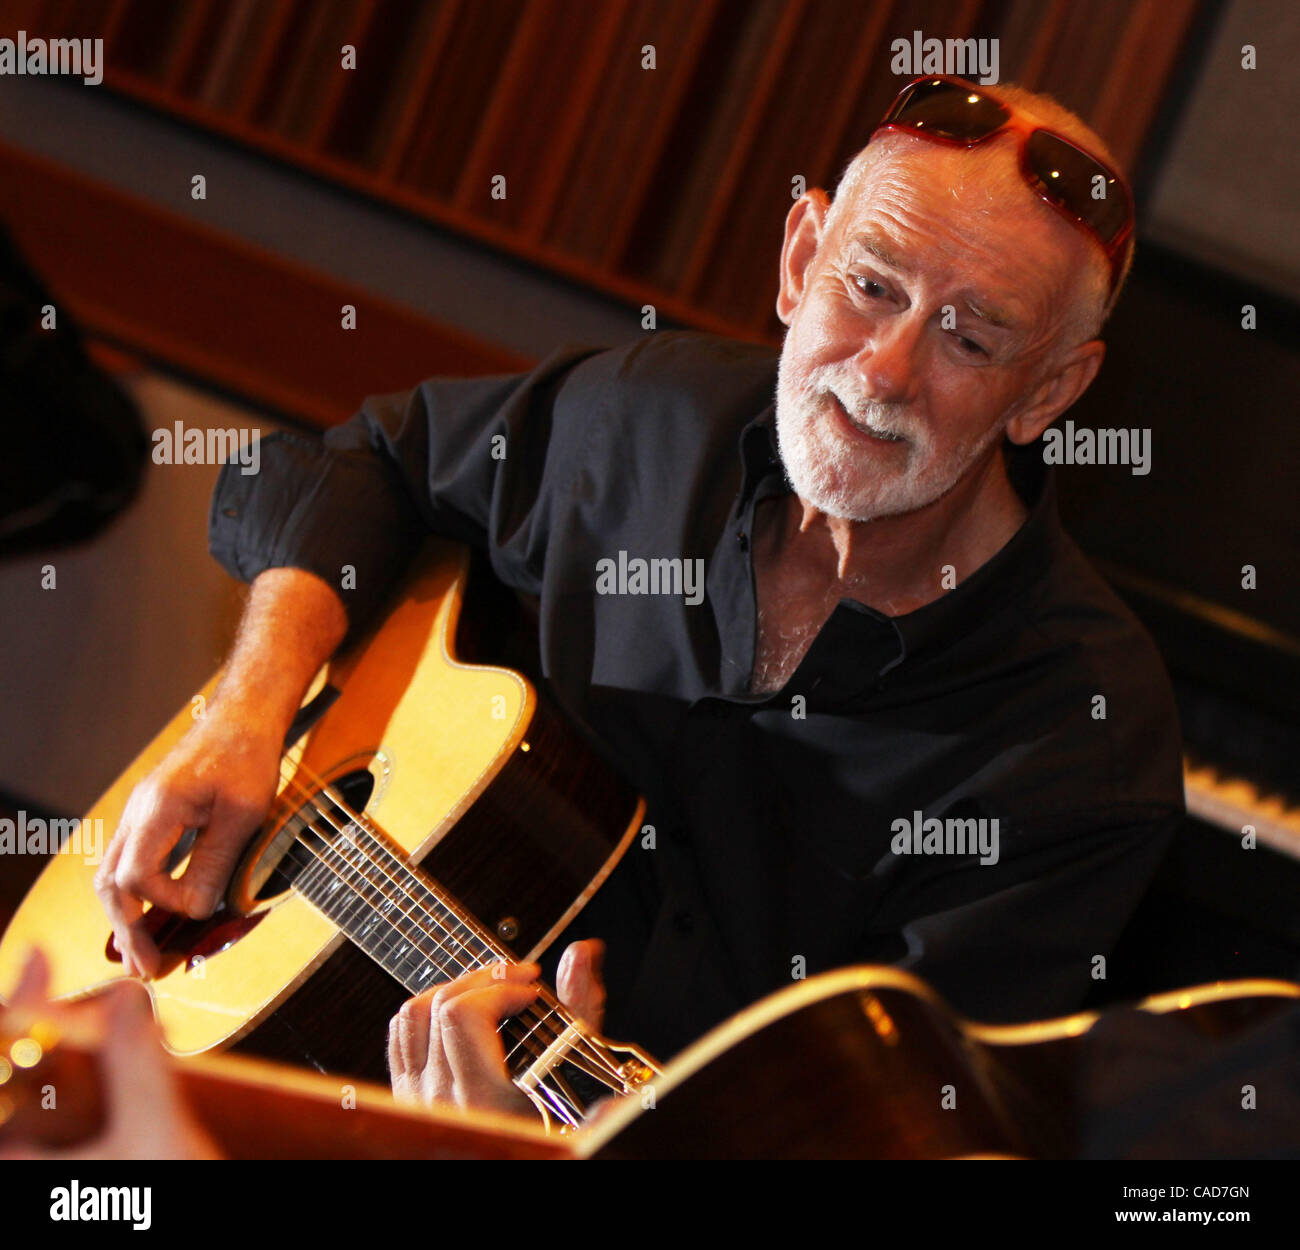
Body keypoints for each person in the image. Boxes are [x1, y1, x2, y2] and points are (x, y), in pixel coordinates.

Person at [95, 76, 1185, 1124]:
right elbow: (353, 467)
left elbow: (902, 1132)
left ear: (1048, 391)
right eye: (871, 282)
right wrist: (248, 712)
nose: (887, 368)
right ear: (799, 257)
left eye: (969, 337)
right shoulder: (647, 419)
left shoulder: (1082, 746)